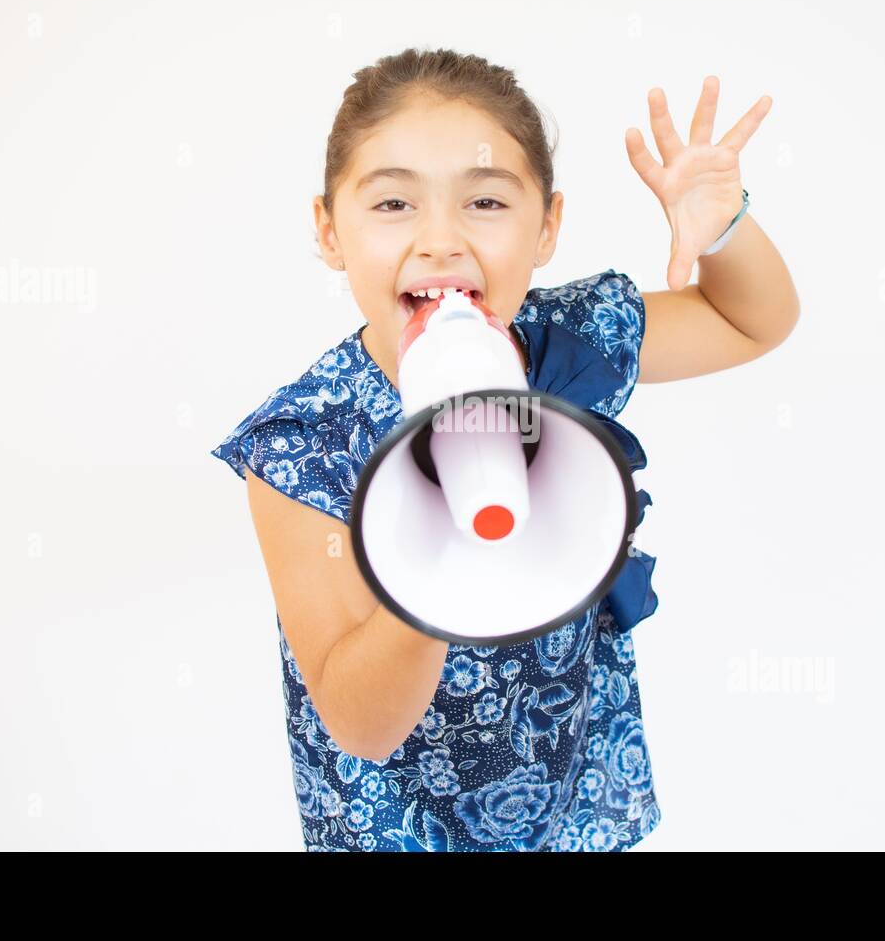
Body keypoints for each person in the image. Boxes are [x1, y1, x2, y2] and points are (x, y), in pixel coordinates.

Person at [211, 47, 799, 851]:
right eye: (392, 205)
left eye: (486, 201)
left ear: (548, 225)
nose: (440, 241)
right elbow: (360, 724)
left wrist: (724, 227)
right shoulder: (302, 443)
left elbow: (750, 320)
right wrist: (432, 546)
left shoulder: (570, 341)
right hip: (397, 832)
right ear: (329, 231)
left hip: (571, 812)